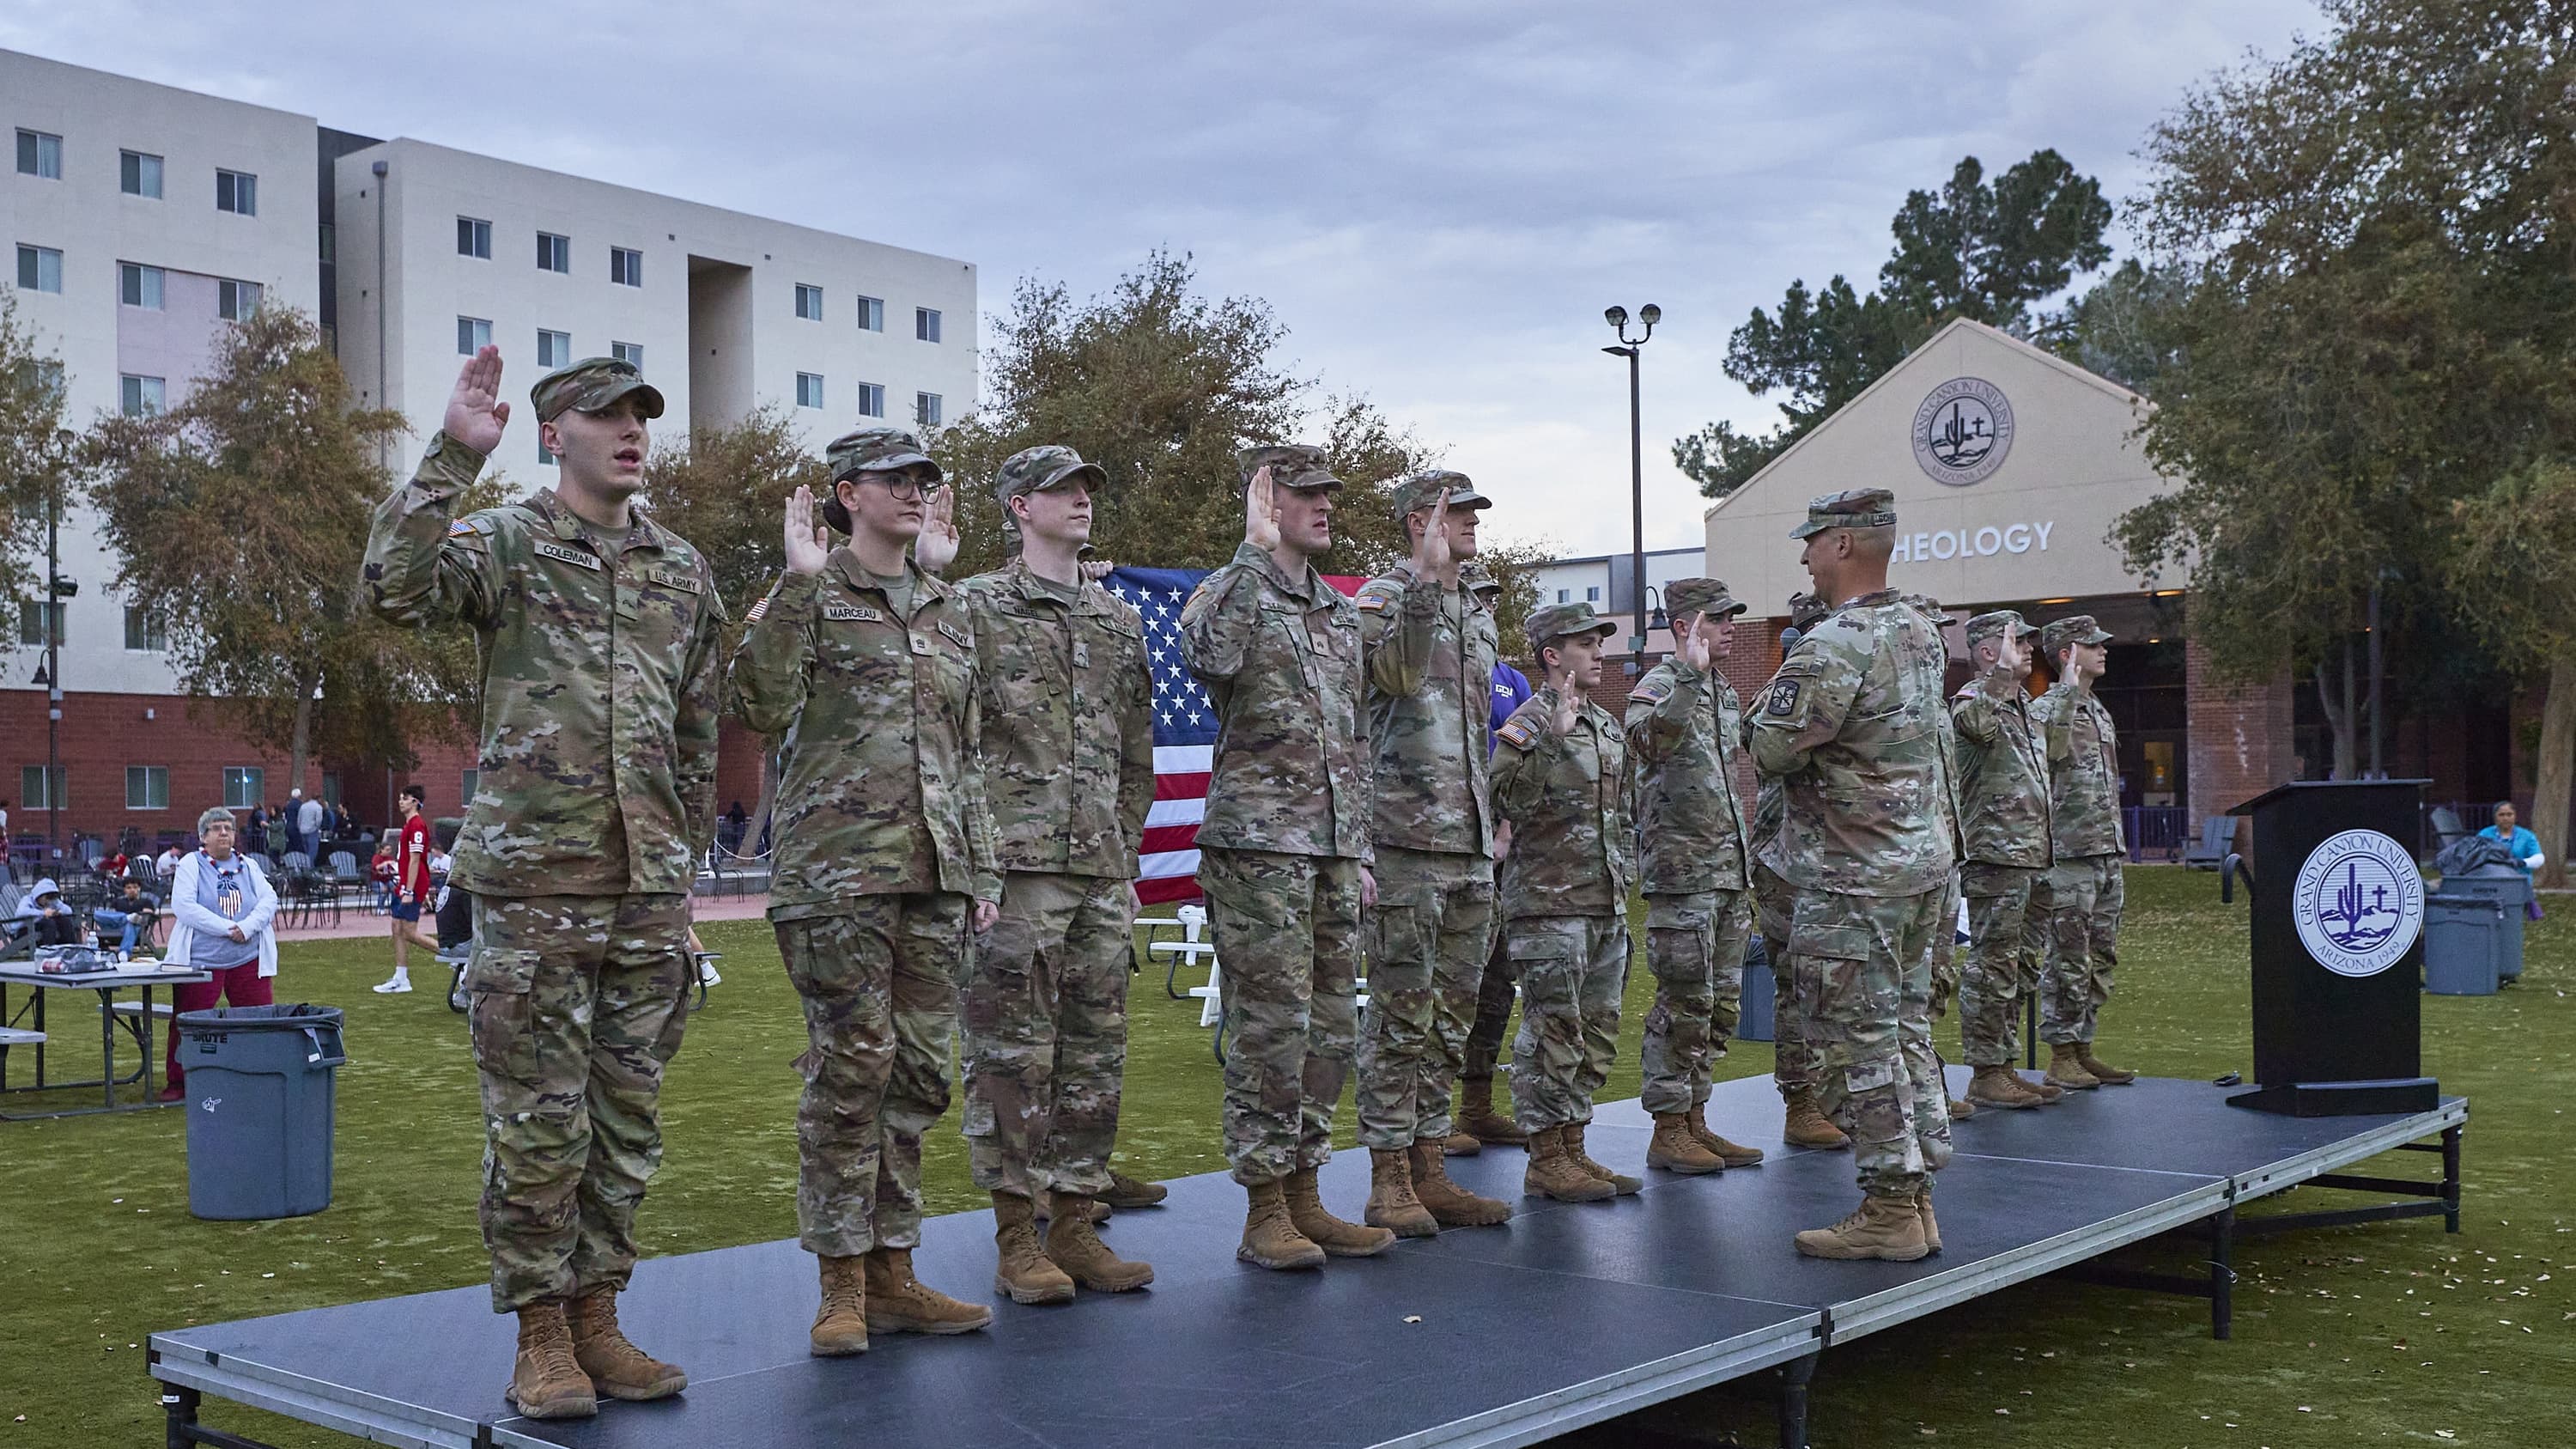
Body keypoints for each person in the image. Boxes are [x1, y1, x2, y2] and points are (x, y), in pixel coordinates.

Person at [363, 349, 723, 1420]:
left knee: (626, 1118)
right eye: (605, 414)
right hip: (533, 888)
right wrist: (447, 459)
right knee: (537, 1122)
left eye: (640, 415)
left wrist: (680, 858)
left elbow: (697, 727)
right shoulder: (508, 542)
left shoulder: (682, 568)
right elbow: (391, 586)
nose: (631, 431)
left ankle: (600, 1317)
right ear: (551, 432)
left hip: (646, 891)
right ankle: (541, 1337)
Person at [732, 425, 1000, 1353]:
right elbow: (757, 705)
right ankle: (840, 1284)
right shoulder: (809, 590)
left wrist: (980, 869)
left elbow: (967, 752)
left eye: (925, 478)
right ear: (849, 492)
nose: (918, 491)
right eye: (898, 479)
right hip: (837, 877)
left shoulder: (945, 605)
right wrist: (799, 582)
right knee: (852, 1074)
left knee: (920, 1075)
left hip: (935, 876)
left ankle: (894, 1271)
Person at [954, 443, 1162, 1306]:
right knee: (1011, 1058)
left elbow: (1134, 751)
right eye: (1063, 489)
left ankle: (1075, 1223)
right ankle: (1016, 1238)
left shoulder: (1118, 619)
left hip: (1098, 870)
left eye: (1088, 487)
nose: (1082, 499)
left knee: (1092, 1056)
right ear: (1017, 507)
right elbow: (951, 742)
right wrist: (972, 860)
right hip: (1015, 871)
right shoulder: (974, 607)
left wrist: (1122, 847)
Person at [1178, 444, 1394, 1269]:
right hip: (1260, 850)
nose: (1326, 505)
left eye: (1328, 493)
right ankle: (1264, 1207)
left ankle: (1307, 1192)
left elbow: (1356, 739)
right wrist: (1248, 548)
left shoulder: (1340, 616)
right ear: (1267, 501)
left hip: (1334, 853)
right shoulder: (1230, 592)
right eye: (1306, 494)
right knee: (1272, 1031)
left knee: (1332, 1028)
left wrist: (1361, 846)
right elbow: (1211, 657)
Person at [1752, 488, 1959, 1261]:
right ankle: (1917, 1195)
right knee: (1905, 1032)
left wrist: (1760, 707)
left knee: (1851, 1041)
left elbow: (1771, 745)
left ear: (1841, 544)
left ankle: (1889, 1208)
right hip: (1916, 873)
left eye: (1811, 542)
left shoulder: (1835, 644)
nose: (1804, 556)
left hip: (1851, 879)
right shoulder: (1919, 631)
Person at [1348, 471, 1512, 1237]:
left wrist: (1493, 825)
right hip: (1405, 838)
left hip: (1470, 841)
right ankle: (1388, 1179)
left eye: (1477, 511)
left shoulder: (1477, 608)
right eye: (1461, 512)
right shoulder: (1381, 599)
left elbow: (1479, 724)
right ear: (1421, 521)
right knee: (1400, 1015)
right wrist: (1422, 581)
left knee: (1451, 1017)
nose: (1475, 523)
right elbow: (1398, 675)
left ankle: (1429, 1165)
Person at [1489, 601, 1635, 1202]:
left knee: (1595, 1030)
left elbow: (1618, 813)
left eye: (1600, 640)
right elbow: (1505, 800)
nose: (1600, 650)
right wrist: (1552, 743)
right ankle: (1546, 1154)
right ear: (1552, 655)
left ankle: (1575, 1144)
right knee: (1553, 1030)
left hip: (1603, 901)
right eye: (1585, 642)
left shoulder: (1605, 723)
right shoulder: (1530, 721)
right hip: (1549, 904)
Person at [1626, 577, 1768, 1176]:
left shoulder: (1725, 691)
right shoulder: (1659, 685)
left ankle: (1696, 1119)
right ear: (1685, 627)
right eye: (1720, 618)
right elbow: (1651, 742)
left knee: (1720, 1007)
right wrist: (1686, 679)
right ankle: (1666, 1126)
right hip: (1682, 874)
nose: (1732, 626)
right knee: (1683, 1002)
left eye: (1734, 616)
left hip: (1726, 872)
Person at [1950, 612, 2069, 1110]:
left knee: (2020, 965)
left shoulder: (2025, 707)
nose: (2028, 649)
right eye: (2017, 641)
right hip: (1995, 856)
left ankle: (2005, 1064)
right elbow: (1973, 727)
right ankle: (1985, 1069)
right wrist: (1999, 676)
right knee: (1992, 965)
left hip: (2031, 856)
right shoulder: (1976, 699)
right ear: (1986, 652)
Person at [1755, 591, 1844, 1149]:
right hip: (1787, 854)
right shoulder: (1786, 683)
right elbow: (1764, 744)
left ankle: (1833, 1094)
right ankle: (1801, 1101)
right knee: (1795, 984)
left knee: (1833, 984)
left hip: (1830, 855)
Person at [2029, 615, 2132, 1092]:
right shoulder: (2050, 707)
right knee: (2067, 956)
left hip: (2106, 849)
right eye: (2092, 646)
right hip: (2070, 853)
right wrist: (2068, 693)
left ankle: (2083, 1046)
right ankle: (2061, 1054)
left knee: (2101, 955)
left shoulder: (2099, 709)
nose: (2103, 651)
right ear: (2068, 654)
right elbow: (2047, 753)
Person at [1454, 581, 1532, 1150]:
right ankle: (1425, 1122)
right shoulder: (1441, 665)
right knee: (1452, 979)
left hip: (1505, 846)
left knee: (1498, 979)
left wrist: (1507, 830)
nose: (1485, 607)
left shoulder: (1513, 678)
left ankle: (1476, 1102)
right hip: (1452, 843)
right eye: (1474, 597)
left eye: (1490, 601)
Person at [160, 808, 281, 1098]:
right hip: (203, 960)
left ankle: (258, 1075)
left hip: (248, 957)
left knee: (258, 1020)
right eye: (216, 828)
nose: (224, 833)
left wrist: (247, 928)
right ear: (203, 837)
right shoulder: (191, 865)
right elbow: (185, 907)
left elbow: (269, 899)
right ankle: (181, 1082)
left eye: (228, 828)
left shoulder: (248, 865)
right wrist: (228, 928)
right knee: (190, 1022)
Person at [374, 785, 435, 994]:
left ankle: (455, 957)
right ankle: (401, 978)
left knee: (409, 932)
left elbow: (416, 859)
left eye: (405, 798)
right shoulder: (408, 825)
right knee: (396, 927)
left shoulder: (417, 825)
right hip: (404, 884)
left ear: (415, 802)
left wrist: (409, 890)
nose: (401, 801)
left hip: (414, 885)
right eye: (400, 797)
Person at [2476, 802, 2546, 920]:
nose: (2506, 818)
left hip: (2519, 881)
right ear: (2495, 817)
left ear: (2515, 816)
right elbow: (2475, 856)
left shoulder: (2527, 836)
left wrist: (2521, 862)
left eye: (2509, 814)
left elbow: (2539, 859)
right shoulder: (2484, 834)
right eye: (2501, 815)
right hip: (2491, 880)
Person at [94, 876, 162, 955]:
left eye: (135, 887)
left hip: (136, 929)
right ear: (124, 890)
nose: (132, 890)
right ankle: (127, 918)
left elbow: (148, 915)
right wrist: (124, 918)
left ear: (139, 889)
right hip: (116, 927)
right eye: (129, 888)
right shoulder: (118, 902)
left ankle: (124, 953)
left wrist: (135, 918)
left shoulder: (146, 902)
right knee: (96, 914)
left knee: (132, 924)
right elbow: (110, 916)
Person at [9, 878, 83, 947]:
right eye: (47, 897)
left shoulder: (52, 902)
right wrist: (43, 913)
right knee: (48, 923)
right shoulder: (27, 900)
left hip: (40, 929)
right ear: (39, 894)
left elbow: (68, 910)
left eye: (51, 897)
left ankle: (70, 948)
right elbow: (21, 912)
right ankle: (49, 951)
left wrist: (58, 912)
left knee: (64, 921)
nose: (48, 901)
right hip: (24, 931)